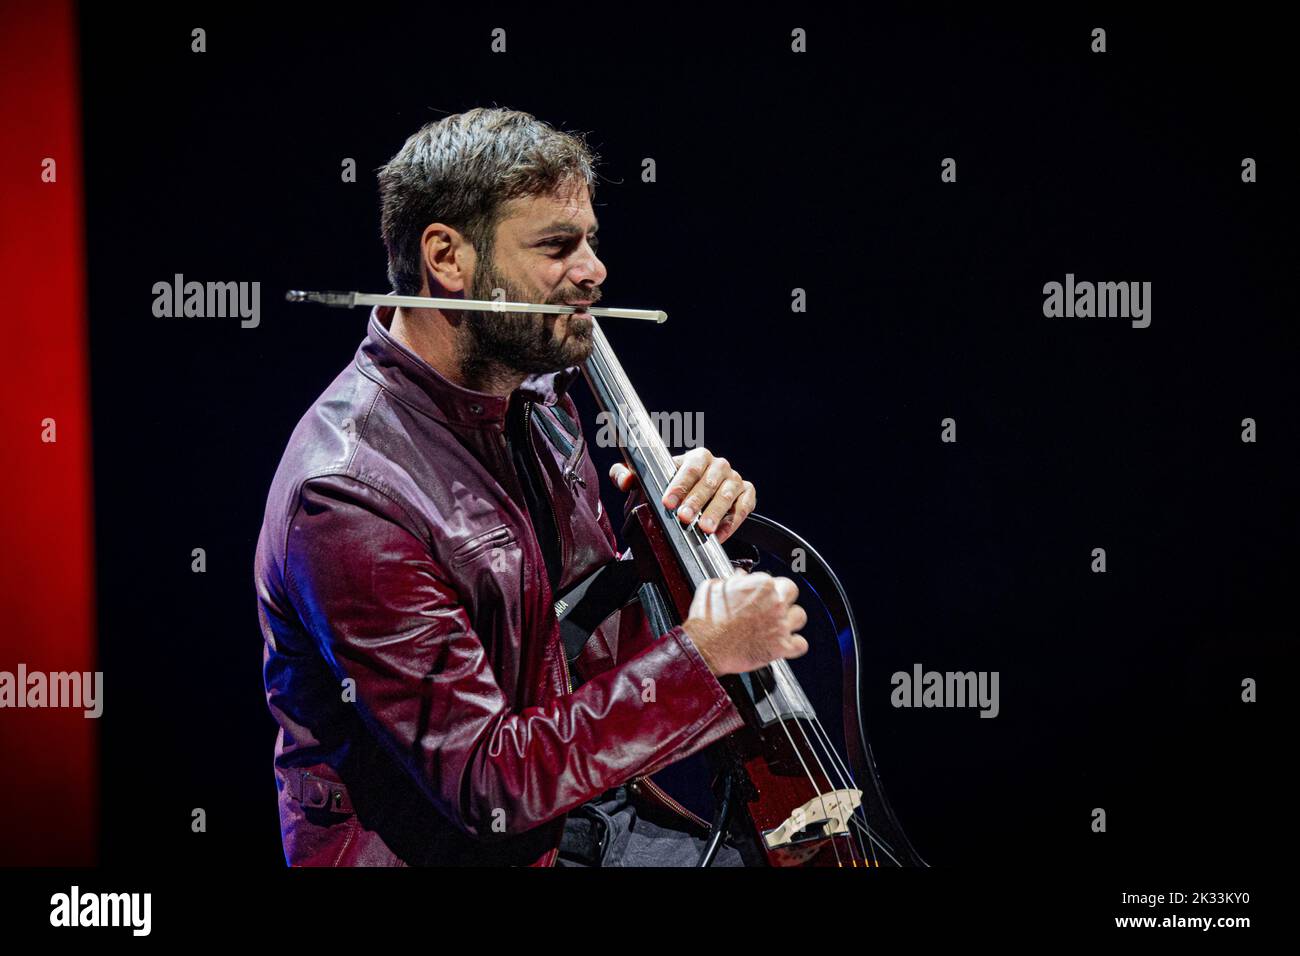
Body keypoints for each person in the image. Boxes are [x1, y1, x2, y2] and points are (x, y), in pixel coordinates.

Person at [254, 107, 808, 866]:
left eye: (590, 241)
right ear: (447, 258)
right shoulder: (349, 497)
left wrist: (683, 550)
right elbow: (491, 786)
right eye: (557, 247)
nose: (594, 271)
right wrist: (699, 659)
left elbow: (583, 650)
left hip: (583, 819)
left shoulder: (537, 397)